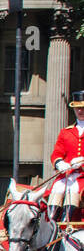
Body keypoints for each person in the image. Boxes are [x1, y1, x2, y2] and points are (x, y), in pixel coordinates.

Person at [48, 90, 84, 222]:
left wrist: (81, 162)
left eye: (82, 108)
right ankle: (52, 221)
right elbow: (57, 153)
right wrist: (59, 163)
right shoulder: (66, 132)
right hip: (67, 173)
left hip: (82, 177)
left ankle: (66, 221)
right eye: (77, 108)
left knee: (73, 188)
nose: (80, 111)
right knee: (58, 186)